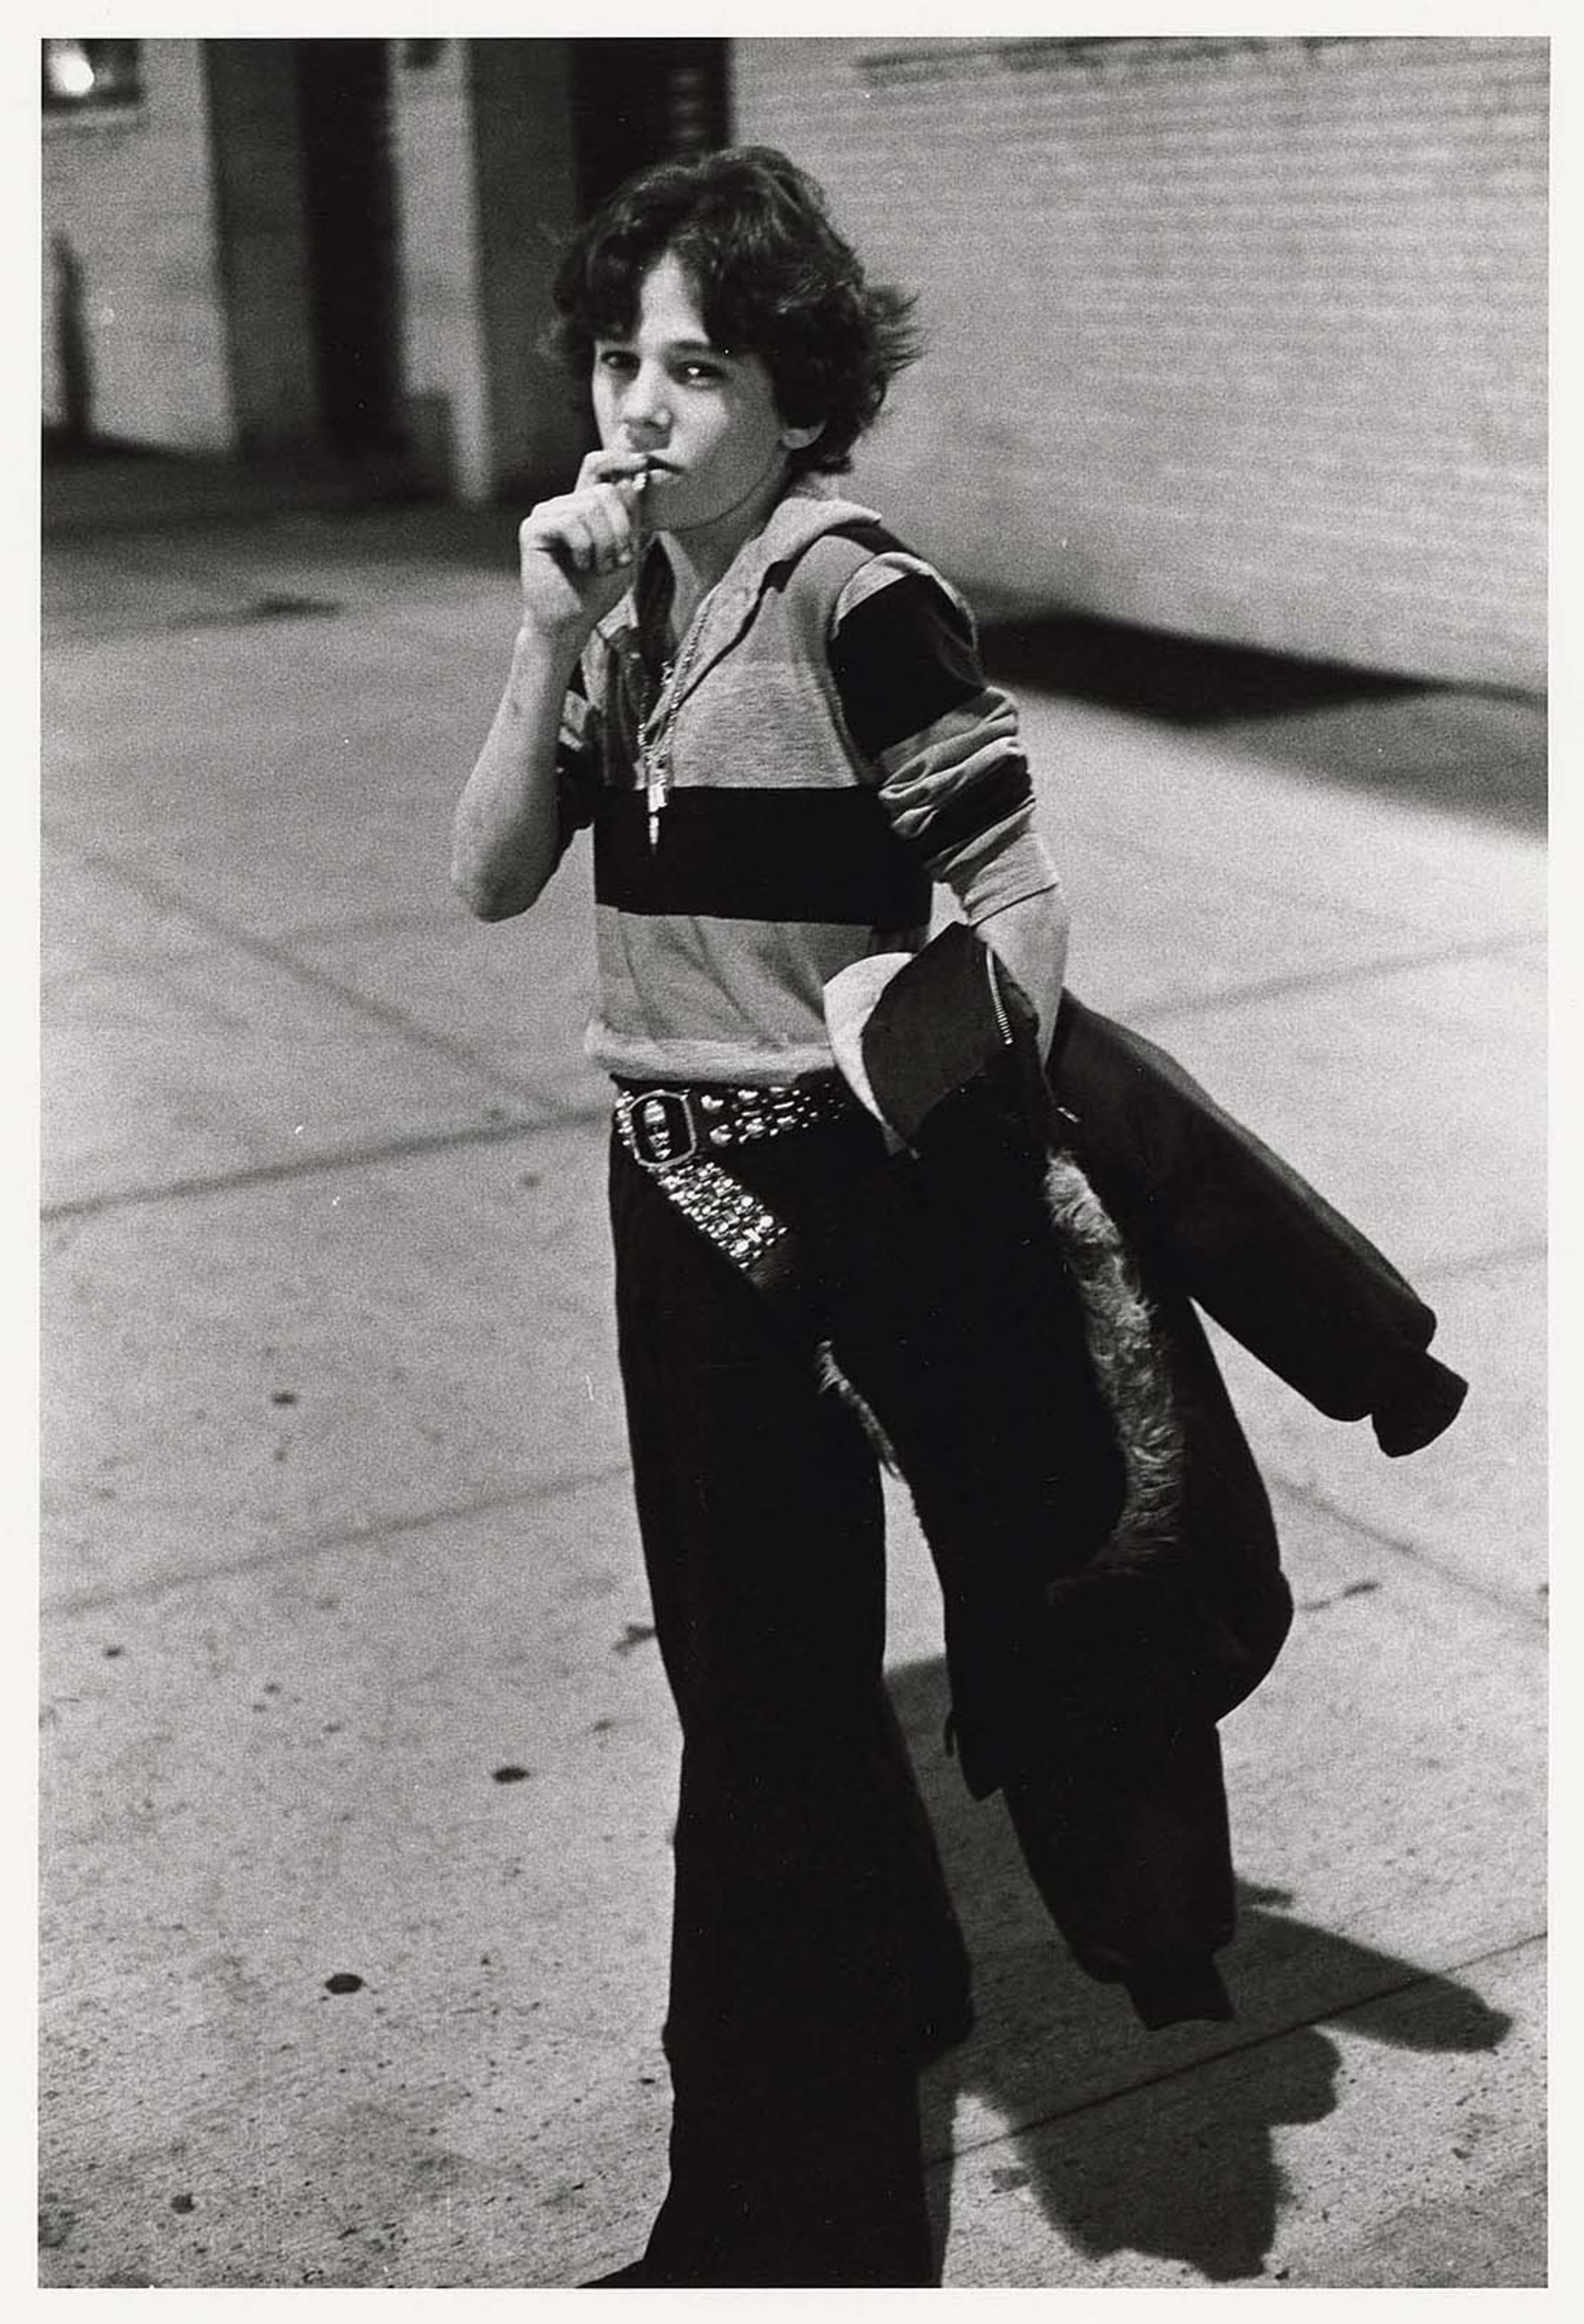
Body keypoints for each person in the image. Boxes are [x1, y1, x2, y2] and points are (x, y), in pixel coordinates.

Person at [452, 144, 1075, 2287]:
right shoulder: (629, 593)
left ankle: (780, 2223)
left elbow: (1013, 900)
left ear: (800, 394)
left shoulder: (854, 593)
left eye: (696, 366)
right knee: (759, 1657)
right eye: (620, 358)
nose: (638, 406)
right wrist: (546, 643)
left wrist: (918, 1135)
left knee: (767, 1705)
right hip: (665, 1174)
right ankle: (897, 1977)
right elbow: (490, 871)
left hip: (810, 1196)